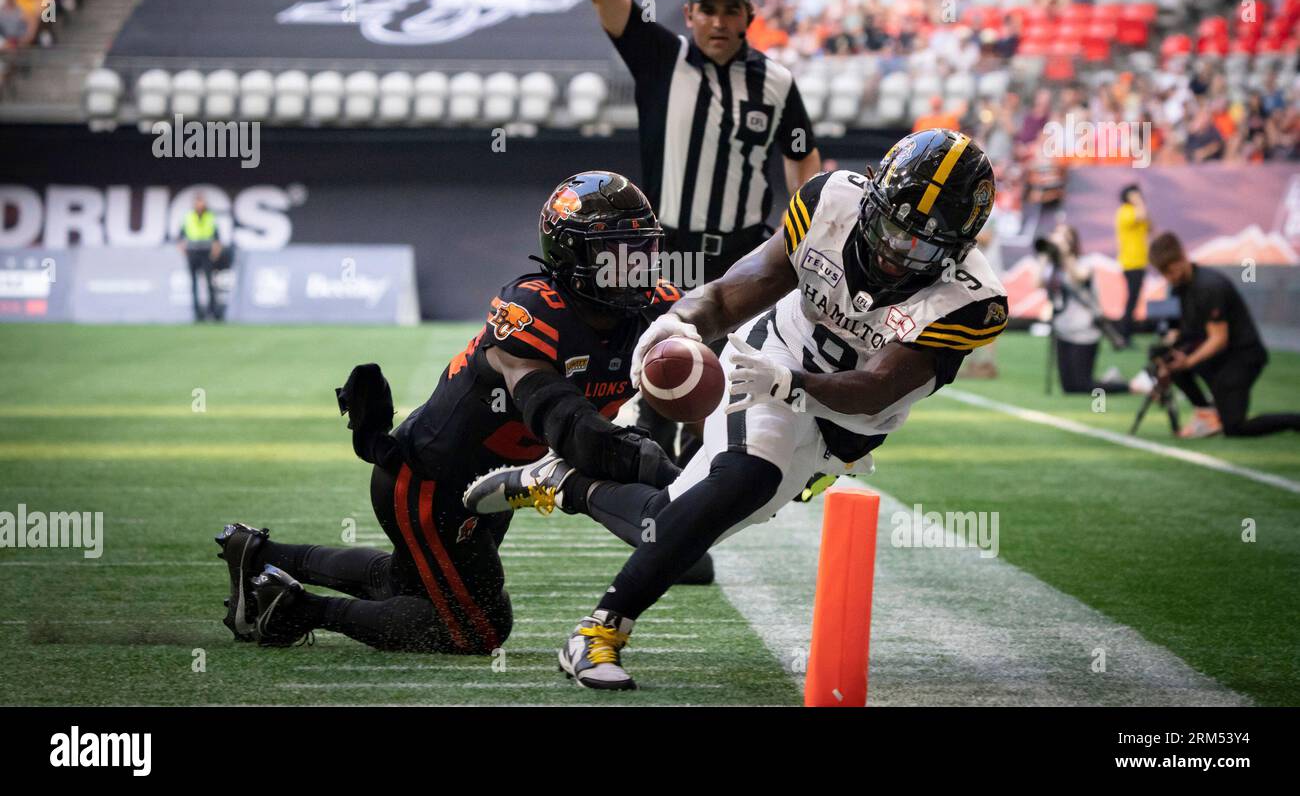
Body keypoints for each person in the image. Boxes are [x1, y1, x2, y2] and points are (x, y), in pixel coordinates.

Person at [464, 129, 1009, 690]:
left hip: (843, 420)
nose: (897, 249)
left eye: (920, 243)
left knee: (672, 526)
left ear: (958, 247)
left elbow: (876, 386)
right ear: (869, 199)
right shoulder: (830, 203)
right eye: (891, 226)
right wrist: (681, 321)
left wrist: (794, 384)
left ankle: (564, 481)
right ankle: (598, 633)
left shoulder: (971, 299)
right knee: (743, 478)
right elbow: (729, 295)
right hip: (772, 355)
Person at [214, 172, 706, 653]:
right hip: (431, 479)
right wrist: (668, 471)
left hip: (493, 480)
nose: (633, 269)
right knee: (477, 630)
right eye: (615, 256)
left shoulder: (657, 309)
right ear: (570, 254)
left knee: (411, 584)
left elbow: (722, 351)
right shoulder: (535, 310)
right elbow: (569, 426)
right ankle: (289, 608)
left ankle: (258, 555)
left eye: (641, 253)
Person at [566, 0, 823, 465]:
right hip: (667, 247)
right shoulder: (663, 59)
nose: (718, 21)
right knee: (659, 377)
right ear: (689, 13)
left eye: (730, 10)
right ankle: (654, 504)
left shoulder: (776, 82)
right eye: (708, 9)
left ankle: (686, 512)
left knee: (721, 388)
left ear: (748, 17)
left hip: (741, 253)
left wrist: (802, 248)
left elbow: (803, 164)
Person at [1148, 231, 1300, 439]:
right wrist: (1161, 371)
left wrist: (1189, 361)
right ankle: (1206, 412)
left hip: (1242, 357)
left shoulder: (1210, 286)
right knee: (1165, 356)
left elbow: (1219, 339)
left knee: (1234, 427)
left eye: (1171, 270)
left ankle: (1295, 421)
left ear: (1182, 257)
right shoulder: (1176, 290)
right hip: (1214, 357)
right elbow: (1174, 334)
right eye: (1163, 273)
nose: (1169, 278)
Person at [1037, 223, 1126, 395]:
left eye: (1063, 238)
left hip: (1084, 333)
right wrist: (1045, 256)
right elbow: (1038, 283)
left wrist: (1065, 254)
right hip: (1063, 331)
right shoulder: (1054, 267)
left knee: (1082, 385)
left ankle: (1124, 385)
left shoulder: (1085, 263)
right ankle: (1110, 380)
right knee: (1069, 387)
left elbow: (1078, 276)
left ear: (1072, 242)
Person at [178, 193, 222, 322]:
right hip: (192, 252)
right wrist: (183, 250)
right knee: (193, 284)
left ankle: (213, 313)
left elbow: (216, 236)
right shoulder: (188, 216)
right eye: (198, 202)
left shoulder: (210, 217)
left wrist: (215, 251)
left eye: (202, 202)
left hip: (206, 252)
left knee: (210, 283)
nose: (200, 204)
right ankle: (197, 314)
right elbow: (180, 236)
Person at [1114, 183, 1149, 345]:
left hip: (1141, 261)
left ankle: (1125, 332)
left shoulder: (1137, 211)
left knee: (1134, 299)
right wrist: (1139, 202)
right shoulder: (1125, 212)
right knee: (1131, 299)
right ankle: (1123, 333)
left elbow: (1149, 227)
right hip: (1130, 262)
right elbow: (1140, 216)